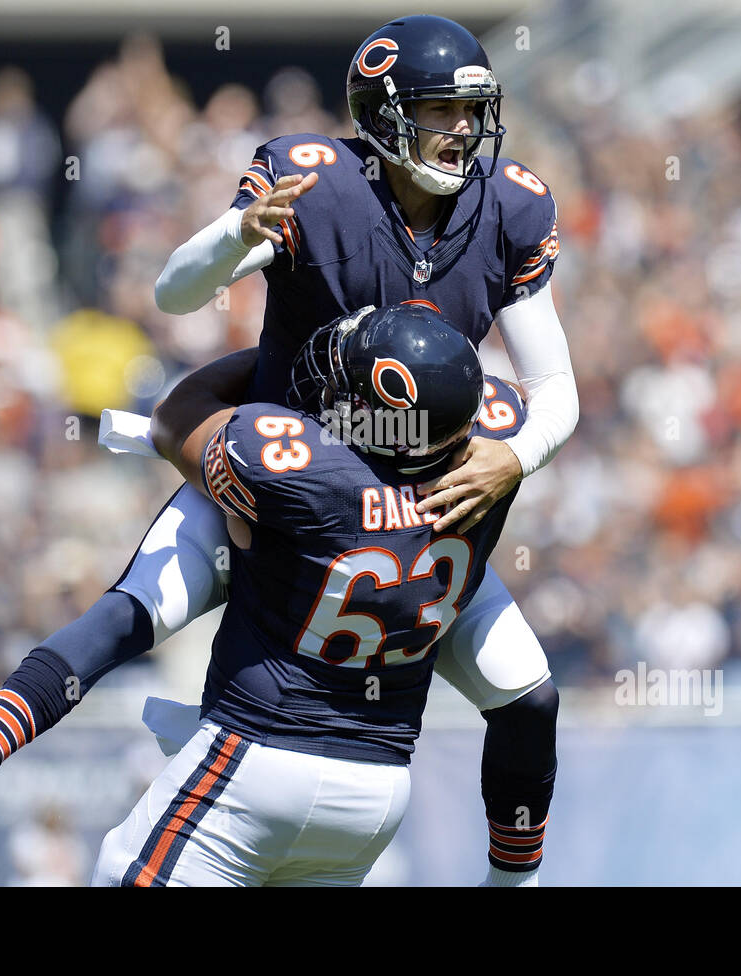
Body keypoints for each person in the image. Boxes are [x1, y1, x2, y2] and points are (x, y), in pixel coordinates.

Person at [0, 14, 570, 887]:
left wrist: (511, 461)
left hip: (347, 483)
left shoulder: (503, 206)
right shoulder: (319, 186)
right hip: (317, 487)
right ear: (386, 110)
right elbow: (176, 289)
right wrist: (239, 234)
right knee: (131, 618)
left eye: (471, 110)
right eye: (442, 108)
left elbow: (558, 385)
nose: (462, 130)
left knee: (129, 619)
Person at [100, 304, 536, 884]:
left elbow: (175, 415)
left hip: (262, 752)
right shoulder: (500, 442)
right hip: (376, 788)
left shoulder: (306, 474)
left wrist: (271, 354)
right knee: (530, 693)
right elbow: (526, 412)